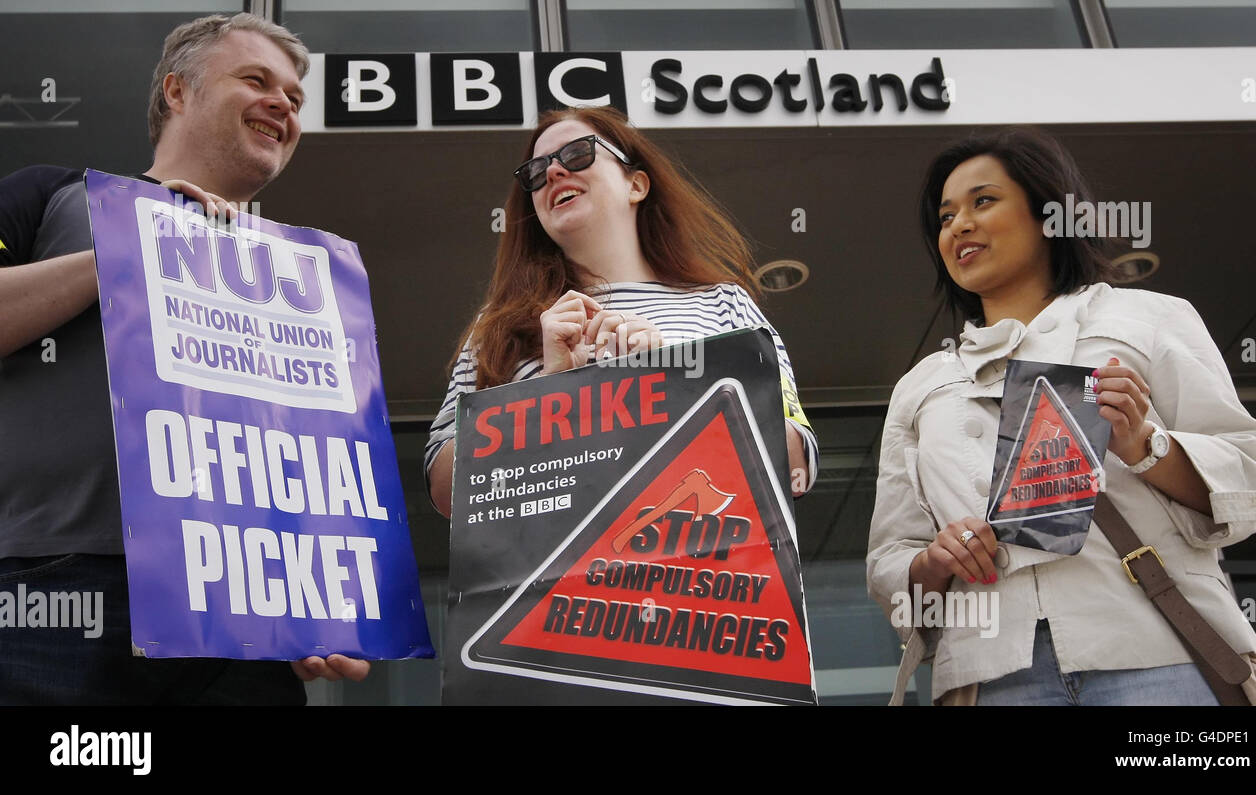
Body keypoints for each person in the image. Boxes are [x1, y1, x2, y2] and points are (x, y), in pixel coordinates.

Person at [0, 13, 367, 704]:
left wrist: (320, 600)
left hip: (239, 615)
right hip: (55, 589)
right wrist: (124, 256)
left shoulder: (303, 278)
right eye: (256, 79)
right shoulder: (51, 194)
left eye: (294, 96)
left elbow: (312, 461)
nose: (283, 103)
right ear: (177, 91)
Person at [866, 127, 1256, 705]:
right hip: (990, 675)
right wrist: (934, 561)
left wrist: (1144, 445)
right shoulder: (922, 386)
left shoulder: (1147, 318)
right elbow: (889, 560)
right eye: (945, 216)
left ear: (1049, 215)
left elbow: (1253, 473)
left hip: (1154, 654)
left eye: (983, 201)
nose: (959, 225)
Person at [425, 106, 817, 514]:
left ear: (637, 184)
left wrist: (671, 383)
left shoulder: (725, 303)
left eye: (577, 154)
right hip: (551, 574)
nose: (554, 173)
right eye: (536, 172)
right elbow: (444, 490)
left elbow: (795, 463)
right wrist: (546, 392)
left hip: (701, 571)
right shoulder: (498, 325)